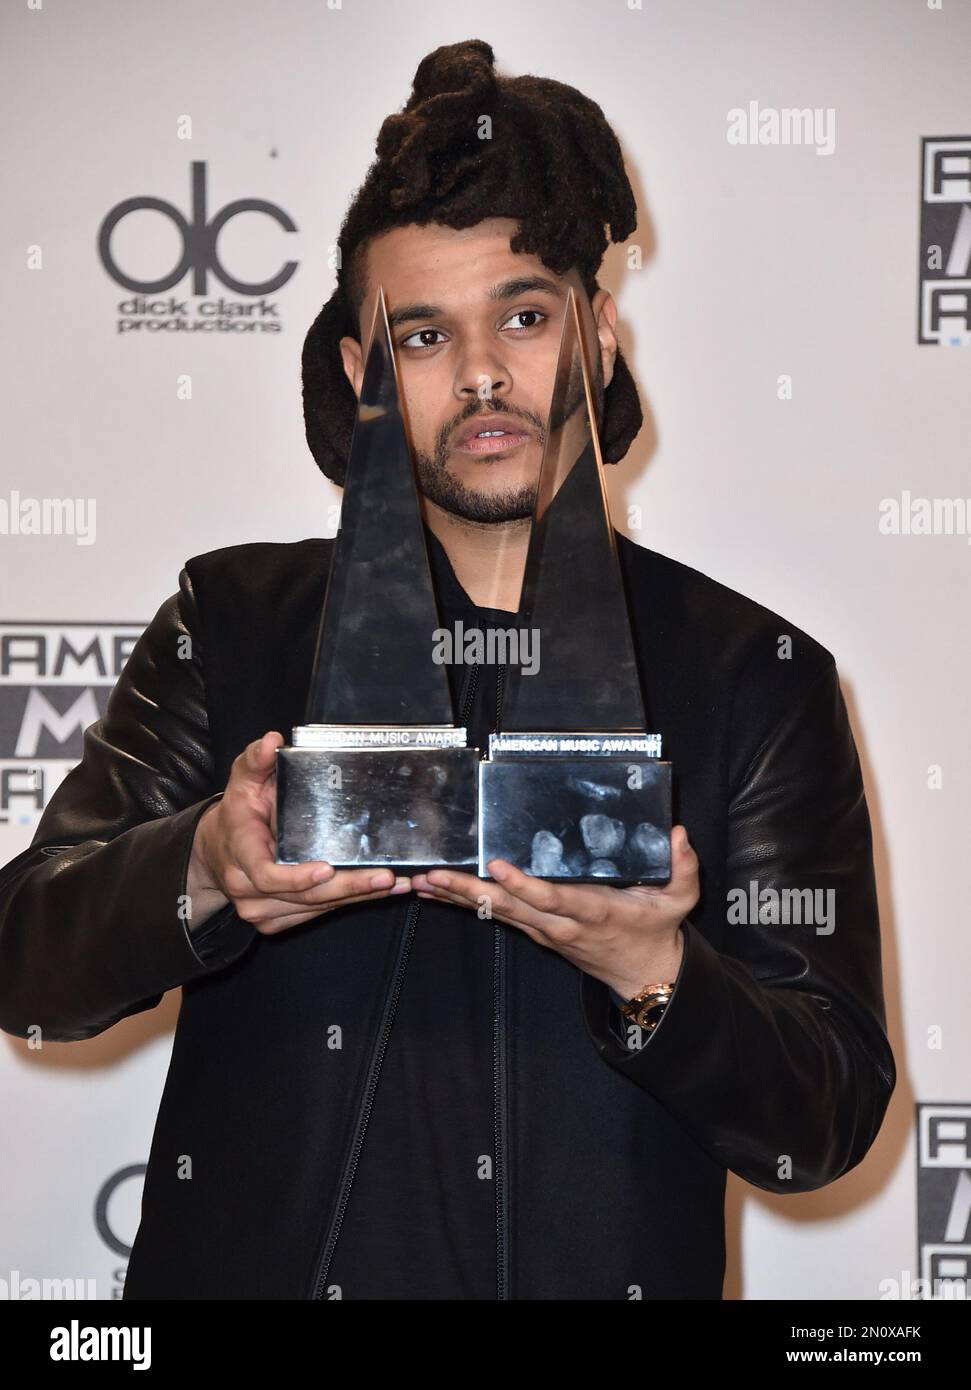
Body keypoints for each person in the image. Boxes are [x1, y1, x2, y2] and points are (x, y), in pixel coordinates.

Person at [0, 39, 895, 1301]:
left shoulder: (756, 673)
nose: (482, 374)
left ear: (594, 328)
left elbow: (827, 1115)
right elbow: (28, 963)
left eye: (523, 316)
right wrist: (202, 866)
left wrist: (654, 977)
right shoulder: (235, 620)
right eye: (422, 335)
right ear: (363, 374)